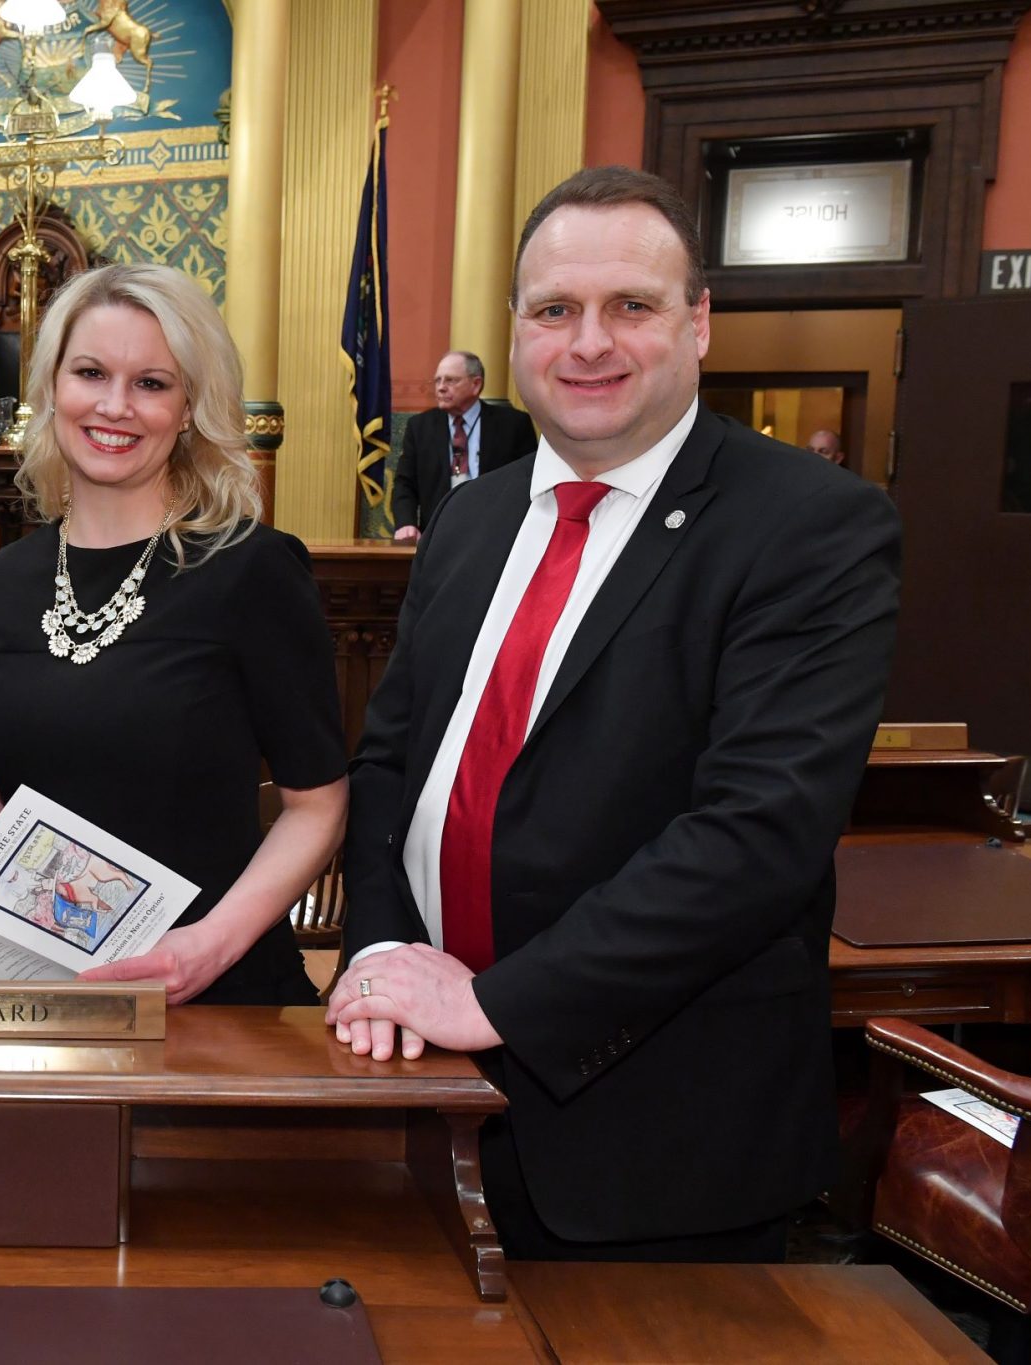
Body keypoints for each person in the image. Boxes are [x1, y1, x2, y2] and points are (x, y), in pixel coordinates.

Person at [328, 166, 901, 1261]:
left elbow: (756, 835)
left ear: (695, 324)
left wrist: (499, 1003)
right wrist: (379, 953)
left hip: (658, 1136)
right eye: (553, 311)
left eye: (628, 307)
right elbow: (391, 763)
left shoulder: (812, 526)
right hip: (419, 1084)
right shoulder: (467, 517)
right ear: (516, 333)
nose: (586, 342)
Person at [0, 262, 347, 1006]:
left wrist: (210, 946)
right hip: (34, 1003)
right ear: (52, 388)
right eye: (91, 372)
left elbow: (318, 805)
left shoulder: (251, 570)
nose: (115, 406)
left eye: (152, 383)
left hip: (210, 995)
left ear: (190, 405)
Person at [390, 350, 537, 541]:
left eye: (450, 380)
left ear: (476, 384)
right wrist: (406, 523)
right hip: (437, 535)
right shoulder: (420, 427)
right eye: (437, 381)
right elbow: (404, 483)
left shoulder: (513, 425)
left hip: (496, 535)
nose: (441, 388)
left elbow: (527, 483)